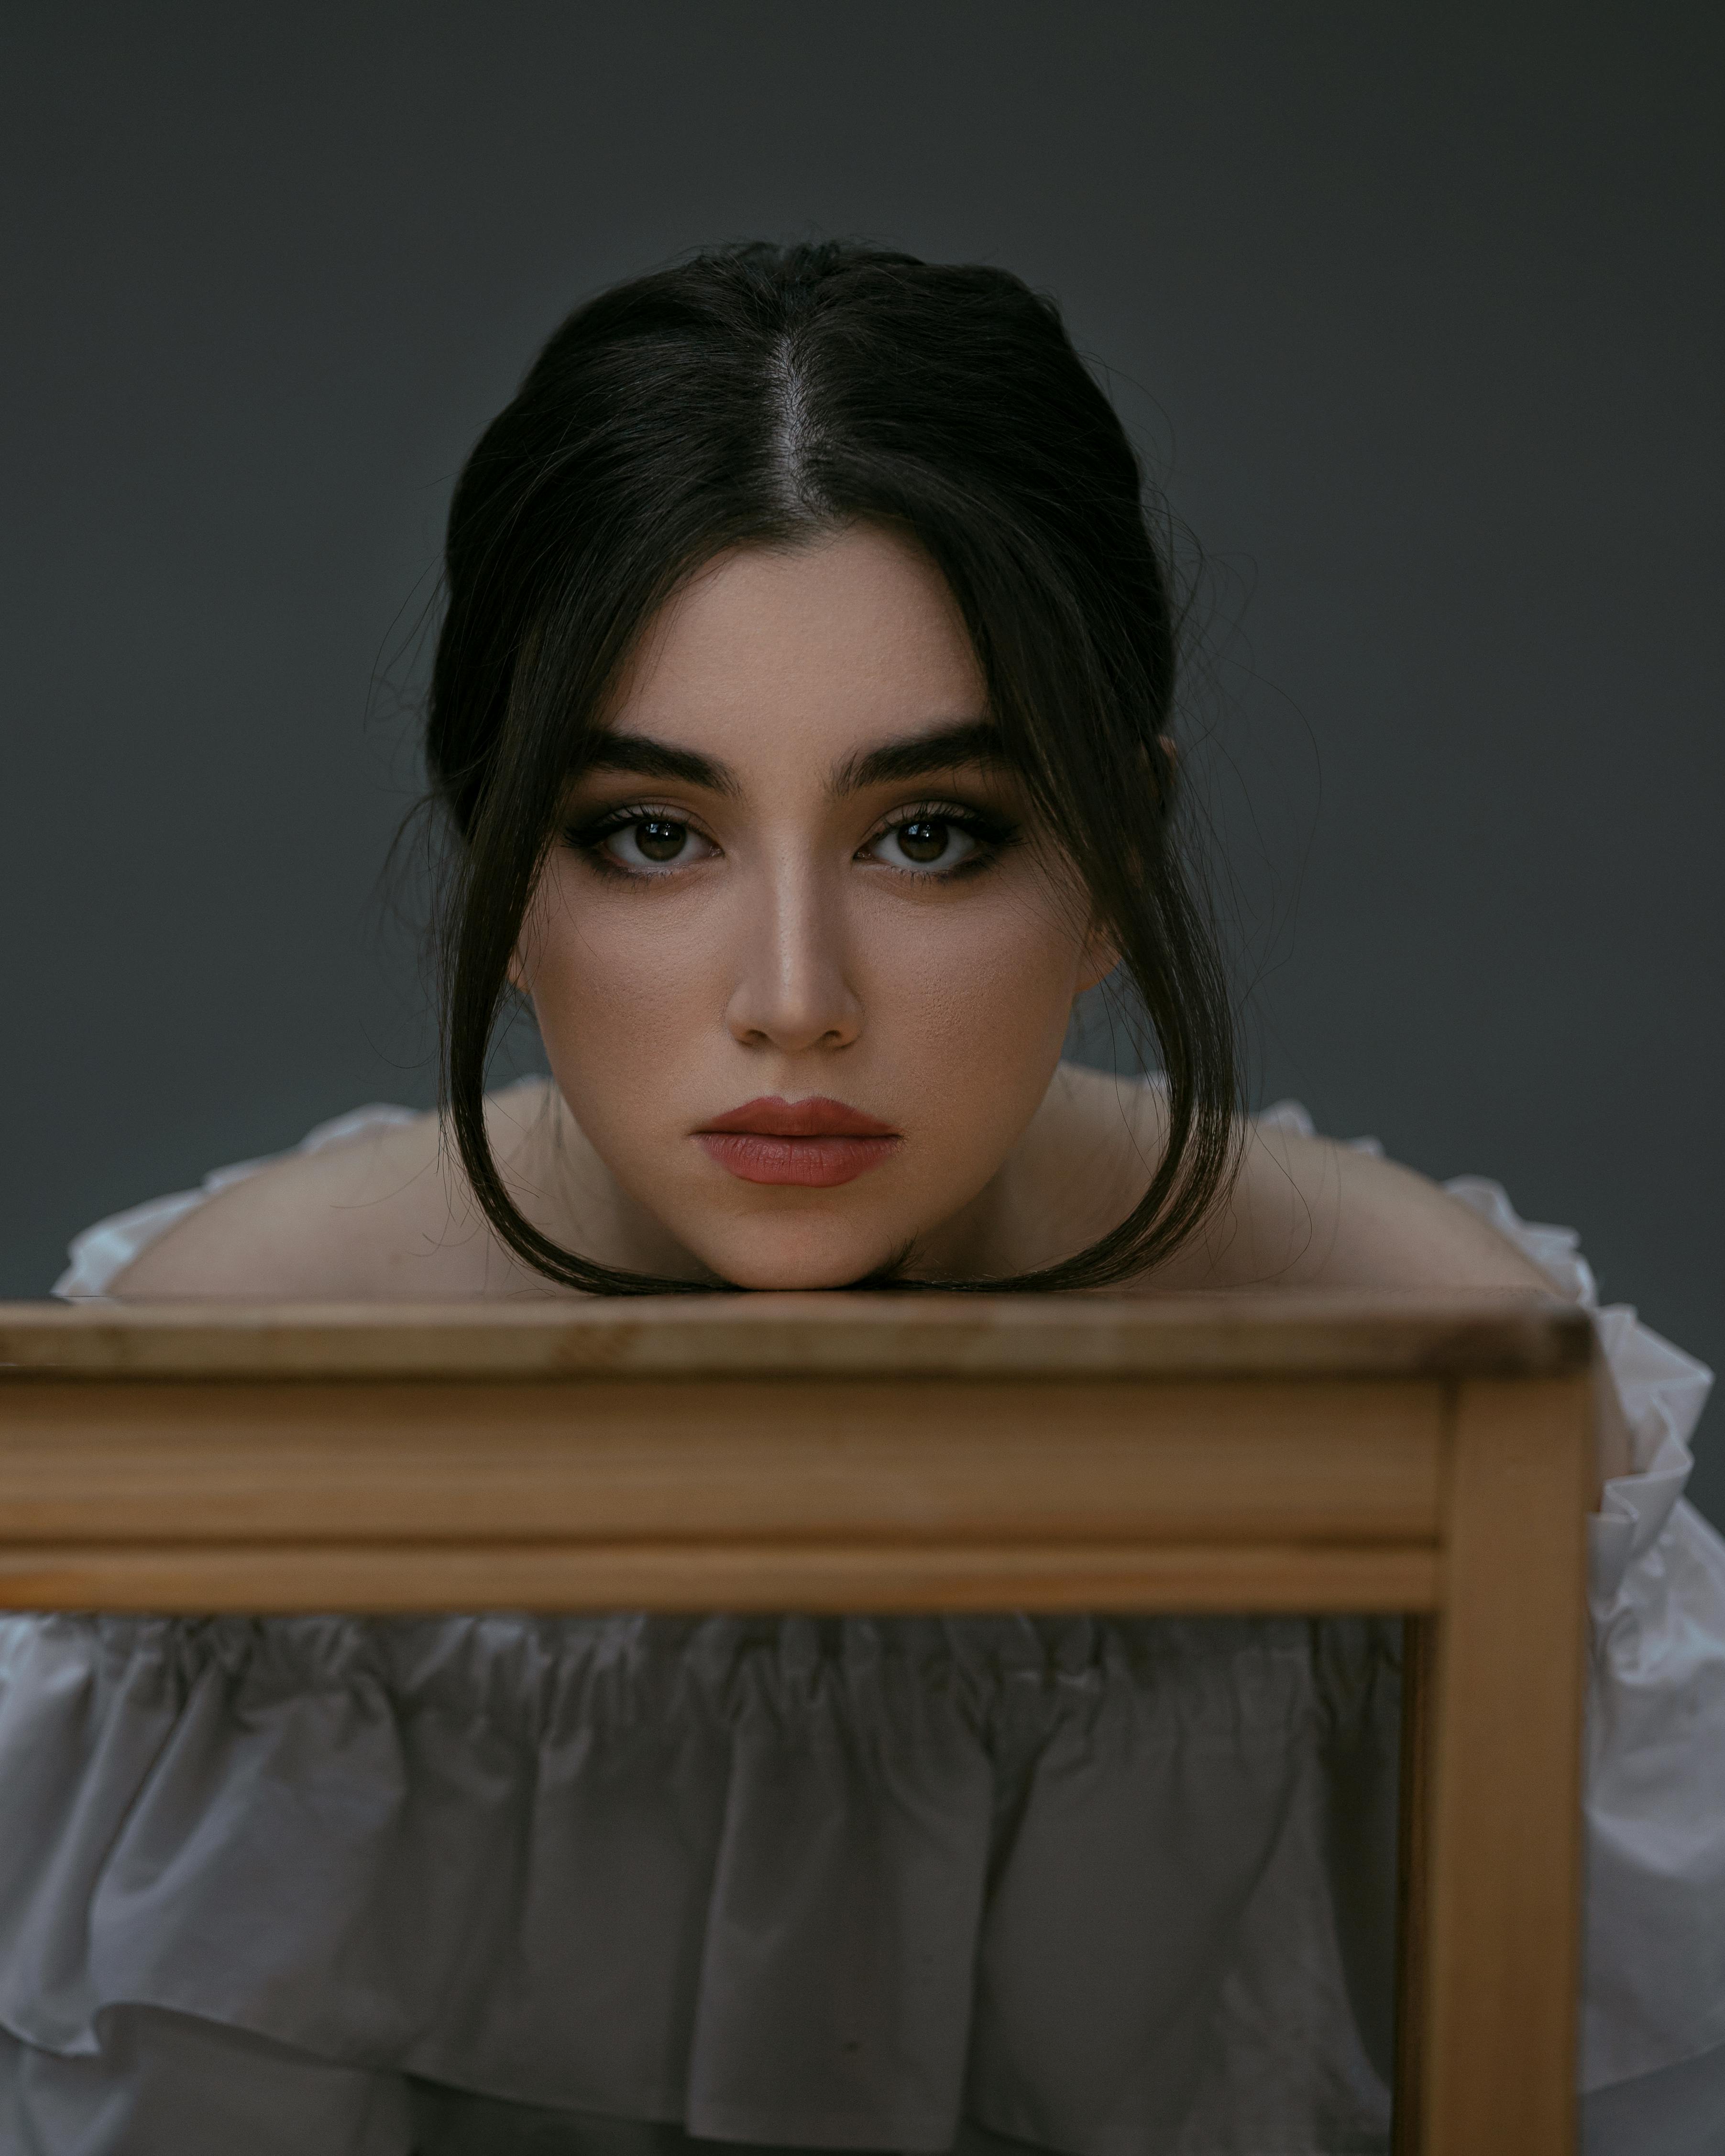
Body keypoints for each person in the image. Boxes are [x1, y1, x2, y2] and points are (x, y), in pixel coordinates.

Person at [1, 242, 1717, 2155]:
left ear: (1107, 868)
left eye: (928, 834)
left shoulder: (1453, 1375)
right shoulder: (205, 1386)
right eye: (651, 834)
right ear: (500, 868)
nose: (793, 994)